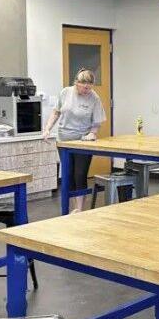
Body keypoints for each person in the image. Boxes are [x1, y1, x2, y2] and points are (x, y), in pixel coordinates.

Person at [44, 68, 107, 213]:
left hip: (82, 141)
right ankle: (74, 208)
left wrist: (92, 133)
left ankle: (80, 208)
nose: (87, 90)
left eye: (90, 87)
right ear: (77, 83)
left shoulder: (94, 98)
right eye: (84, 87)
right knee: (68, 175)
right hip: (64, 141)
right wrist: (47, 129)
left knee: (80, 174)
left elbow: (97, 121)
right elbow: (56, 112)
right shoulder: (66, 92)